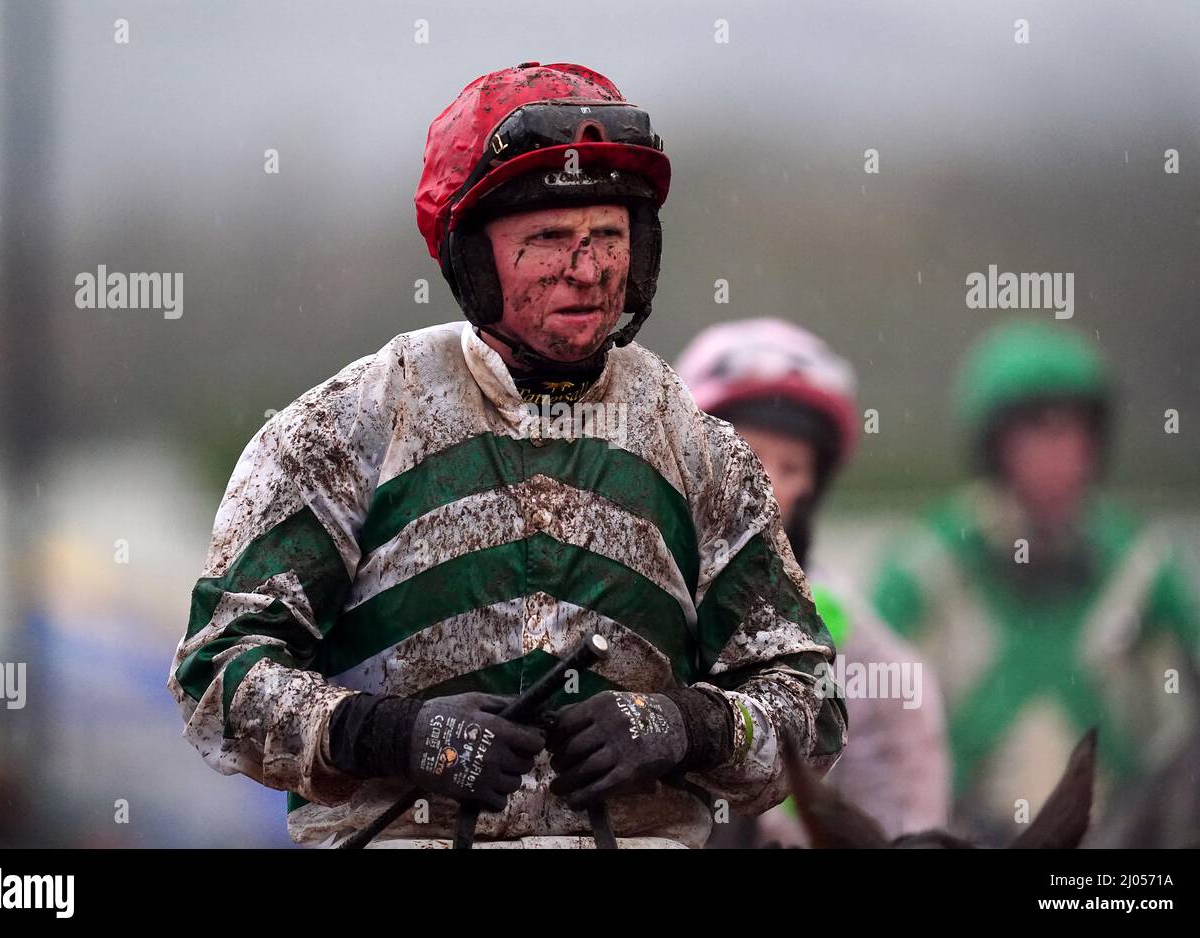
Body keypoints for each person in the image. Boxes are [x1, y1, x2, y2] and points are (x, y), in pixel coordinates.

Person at [167, 62, 846, 848]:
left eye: (609, 238)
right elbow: (215, 675)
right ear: (473, 261)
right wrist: (392, 734)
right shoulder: (343, 429)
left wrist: (685, 726)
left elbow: (814, 706)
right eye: (549, 240)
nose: (587, 271)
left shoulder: (702, 452)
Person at [869, 320, 1200, 838]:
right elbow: (870, 726)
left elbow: (1190, 737)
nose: (1056, 455)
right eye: (1035, 433)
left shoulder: (1143, 573)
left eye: (1070, 432)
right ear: (995, 446)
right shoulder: (925, 571)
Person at [676, 318, 949, 846]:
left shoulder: (880, 670)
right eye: (742, 453)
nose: (765, 484)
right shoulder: (612, 598)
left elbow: (907, 826)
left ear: (812, 486)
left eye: (791, 465)